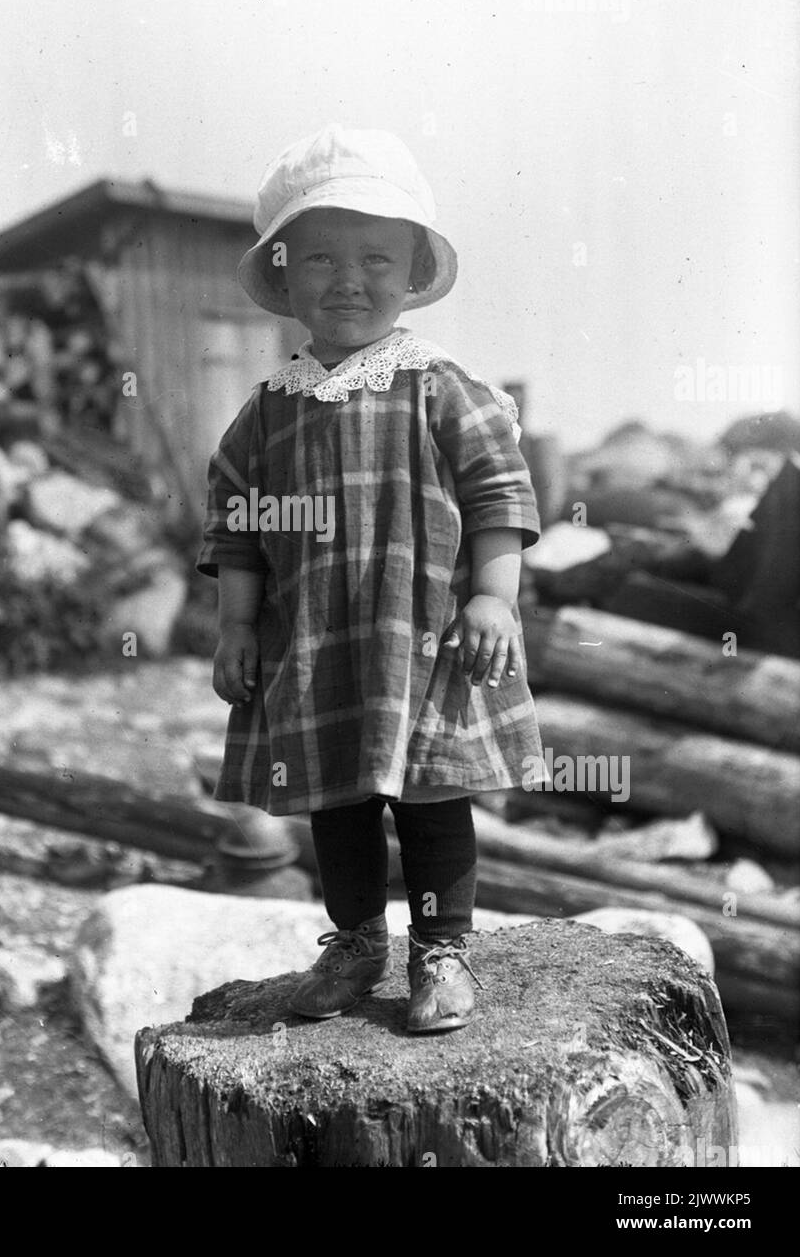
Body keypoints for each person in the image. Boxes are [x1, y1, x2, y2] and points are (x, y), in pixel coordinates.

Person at [196, 125, 543, 1033]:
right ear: (284, 274)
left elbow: (499, 490)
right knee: (336, 801)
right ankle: (355, 944)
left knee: (430, 796)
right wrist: (236, 627)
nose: (349, 280)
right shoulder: (268, 415)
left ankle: (443, 951)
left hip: (423, 641)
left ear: (414, 268)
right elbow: (235, 526)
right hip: (314, 644)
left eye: (376, 259)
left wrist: (492, 597)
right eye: (320, 259)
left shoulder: (439, 386)